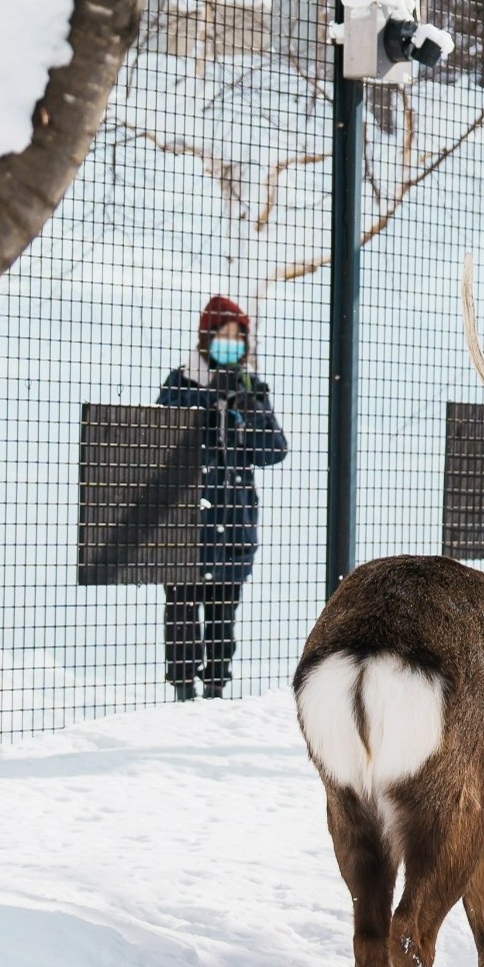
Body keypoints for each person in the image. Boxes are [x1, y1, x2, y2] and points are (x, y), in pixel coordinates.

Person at [158, 295, 288, 700]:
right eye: (223, 336)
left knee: (222, 616)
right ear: (207, 338)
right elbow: (160, 433)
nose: (231, 345)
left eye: (237, 338)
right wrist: (209, 401)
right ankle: (183, 690)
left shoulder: (250, 387)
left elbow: (274, 451)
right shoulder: (181, 382)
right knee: (181, 611)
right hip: (185, 524)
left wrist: (249, 410)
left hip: (233, 525)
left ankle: (216, 689)